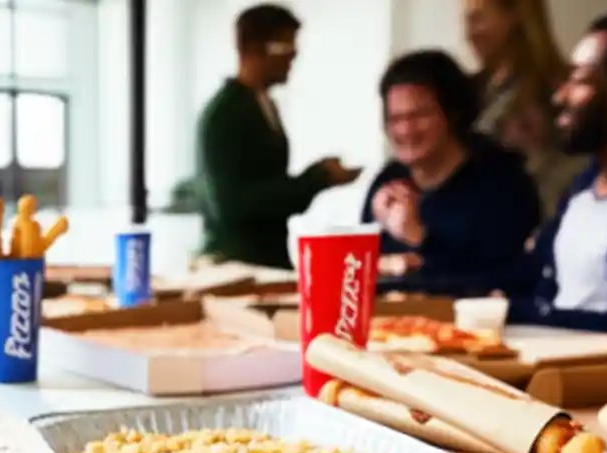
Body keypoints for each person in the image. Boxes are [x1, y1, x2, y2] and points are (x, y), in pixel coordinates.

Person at [508, 2, 607, 333]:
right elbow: (530, 280)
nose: (560, 96)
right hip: (546, 367)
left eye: (579, 80)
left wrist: (511, 313)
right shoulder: (584, 188)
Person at [363, 50, 541, 297]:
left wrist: (420, 237)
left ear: (452, 113)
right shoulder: (388, 180)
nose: (405, 130)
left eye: (419, 115)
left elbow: (501, 276)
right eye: (395, 119)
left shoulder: (501, 181)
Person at [196, 4, 360, 269]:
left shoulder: (263, 105)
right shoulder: (225, 113)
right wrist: (317, 178)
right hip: (238, 266)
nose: (292, 59)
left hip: (266, 260)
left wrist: (318, 177)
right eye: (286, 50)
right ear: (252, 49)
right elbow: (231, 204)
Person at [465, 0, 584, 212]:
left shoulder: (555, 89)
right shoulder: (469, 89)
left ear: (514, 15)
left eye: (478, 19)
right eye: (467, 21)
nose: (470, 33)